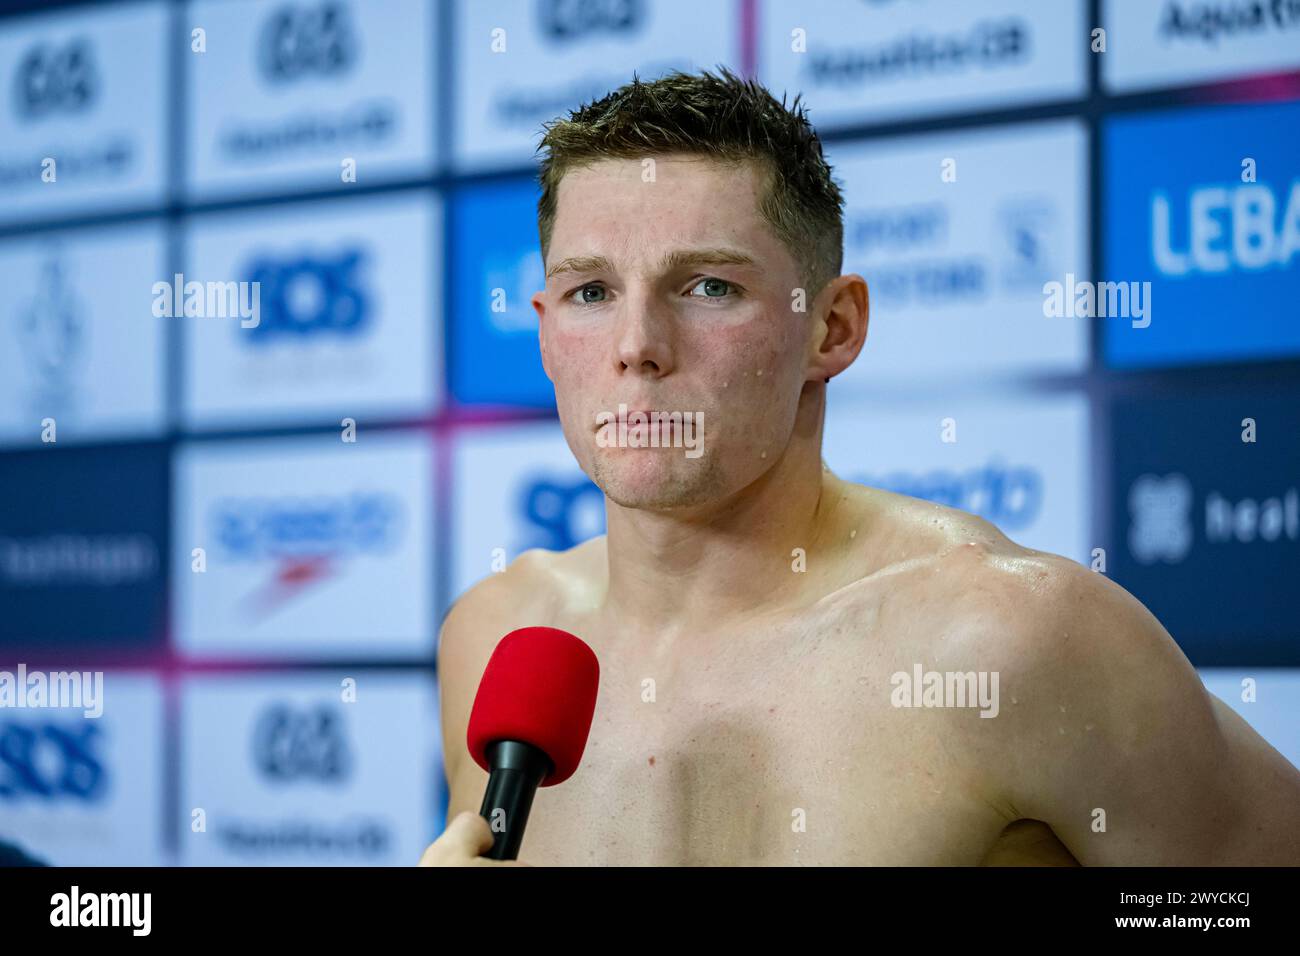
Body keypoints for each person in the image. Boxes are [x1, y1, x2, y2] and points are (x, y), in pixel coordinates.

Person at [419, 68, 1300, 866]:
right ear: (542, 328)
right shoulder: (494, 641)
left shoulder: (1009, 639)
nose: (638, 346)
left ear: (832, 328)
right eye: (591, 293)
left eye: (708, 287)